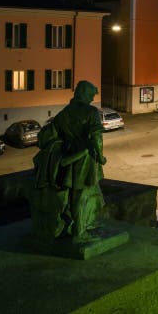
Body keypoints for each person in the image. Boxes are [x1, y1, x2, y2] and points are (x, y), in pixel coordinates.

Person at [31, 80, 107, 243]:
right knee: (80, 195)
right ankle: (79, 233)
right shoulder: (91, 112)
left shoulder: (64, 113)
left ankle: (84, 223)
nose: (93, 99)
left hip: (69, 159)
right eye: (92, 95)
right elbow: (96, 137)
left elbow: (50, 136)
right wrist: (101, 157)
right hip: (85, 159)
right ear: (85, 93)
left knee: (79, 194)